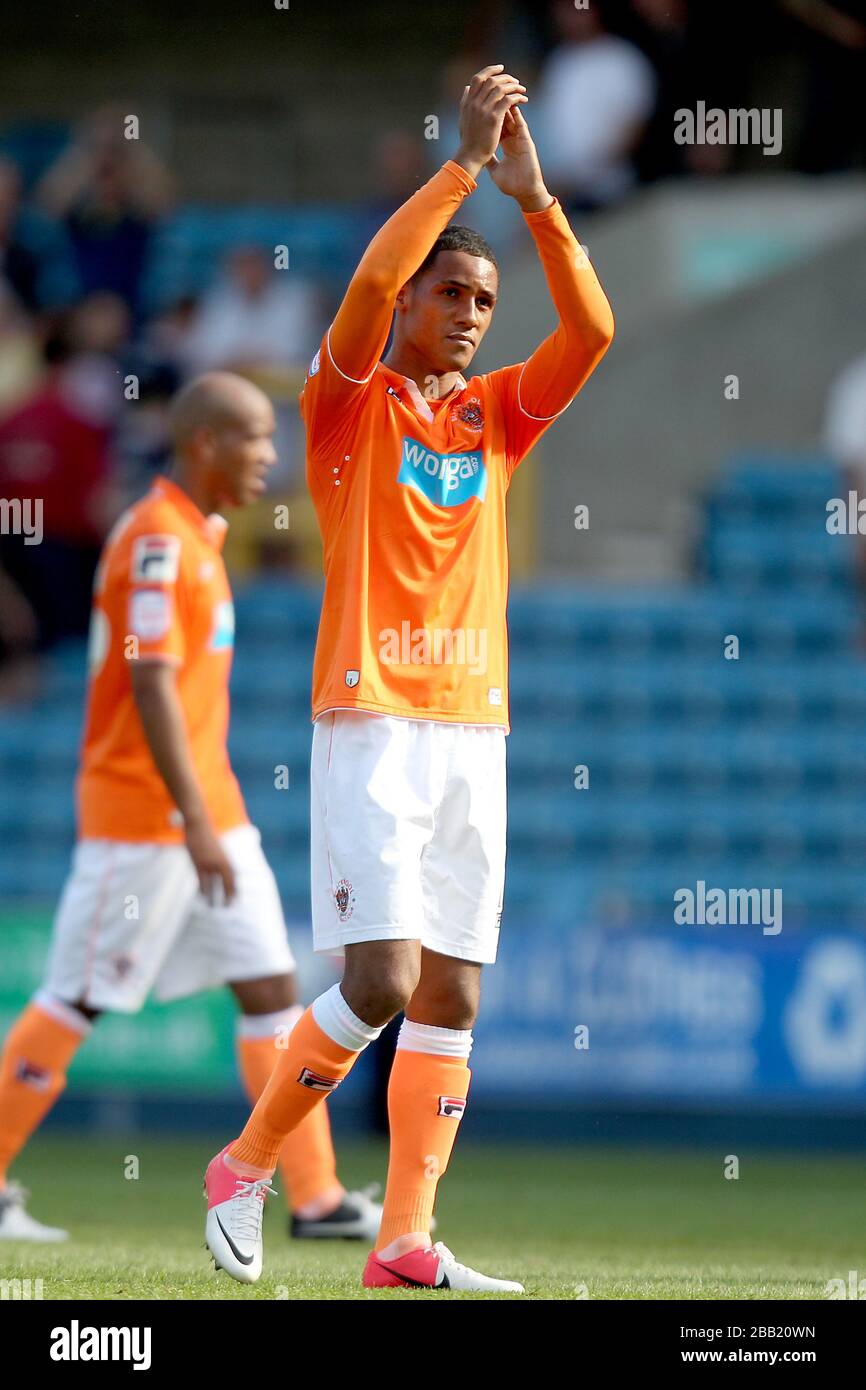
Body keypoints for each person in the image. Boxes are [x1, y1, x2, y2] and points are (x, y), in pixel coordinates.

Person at [203, 65, 614, 1291]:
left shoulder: (497, 416)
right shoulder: (347, 405)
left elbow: (591, 332)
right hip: (372, 719)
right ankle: (245, 1164)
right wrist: (460, 168)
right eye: (455, 291)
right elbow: (374, 280)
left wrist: (534, 202)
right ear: (411, 304)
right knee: (377, 979)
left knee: (452, 995)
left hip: (470, 727)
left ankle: (403, 1241)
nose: (473, 312)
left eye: (484, 298)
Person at [0, 372, 381, 1244]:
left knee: (273, 990)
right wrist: (195, 820)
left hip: (211, 810)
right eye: (255, 436)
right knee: (76, 997)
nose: (271, 455)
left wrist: (212, 817)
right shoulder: (156, 541)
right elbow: (150, 680)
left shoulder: (196, 538)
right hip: (146, 815)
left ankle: (315, 1199)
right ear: (204, 442)